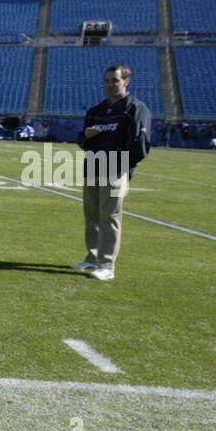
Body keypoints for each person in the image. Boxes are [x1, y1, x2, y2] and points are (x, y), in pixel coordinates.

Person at [74, 63, 152, 282]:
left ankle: (107, 265)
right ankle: (92, 256)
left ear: (126, 81)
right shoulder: (95, 111)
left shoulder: (135, 108)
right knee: (92, 217)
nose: (110, 85)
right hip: (93, 168)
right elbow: (82, 141)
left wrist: (124, 167)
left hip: (115, 169)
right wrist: (86, 136)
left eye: (115, 80)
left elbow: (141, 144)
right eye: (107, 81)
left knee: (110, 217)